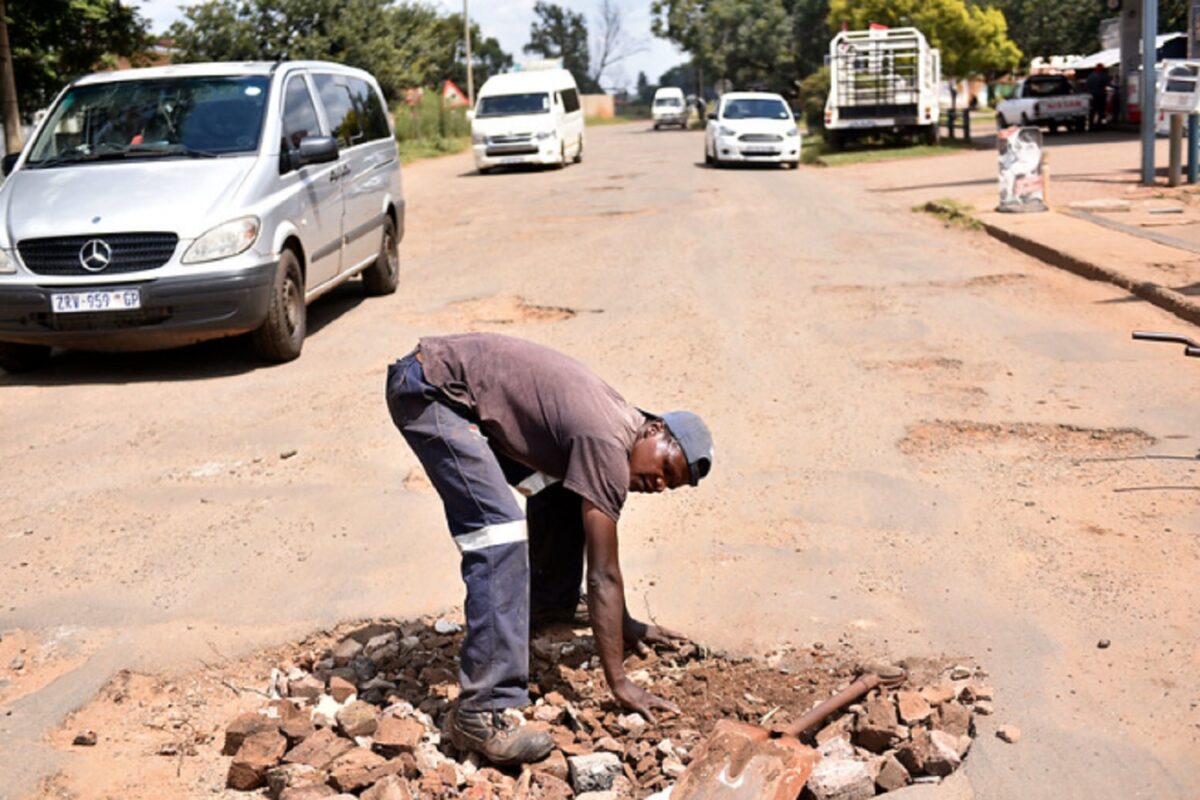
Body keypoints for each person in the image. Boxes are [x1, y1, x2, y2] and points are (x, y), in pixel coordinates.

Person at [385, 333, 713, 765]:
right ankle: (481, 709)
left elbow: (603, 559)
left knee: (559, 488)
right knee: (497, 531)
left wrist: (624, 623)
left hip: (452, 389)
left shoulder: (617, 434)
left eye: (669, 485)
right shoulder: (607, 440)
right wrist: (620, 682)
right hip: (430, 391)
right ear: (655, 429)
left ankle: (547, 605)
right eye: (665, 468)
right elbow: (603, 575)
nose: (658, 484)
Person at [1087, 63, 1111, 130]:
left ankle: (1091, 125)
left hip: (1091, 96)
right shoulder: (1103, 76)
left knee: (1092, 111)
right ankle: (1099, 125)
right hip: (1100, 95)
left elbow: (1087, 85)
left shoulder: (1090, 76)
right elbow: (1107, 85)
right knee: (1101, 111)